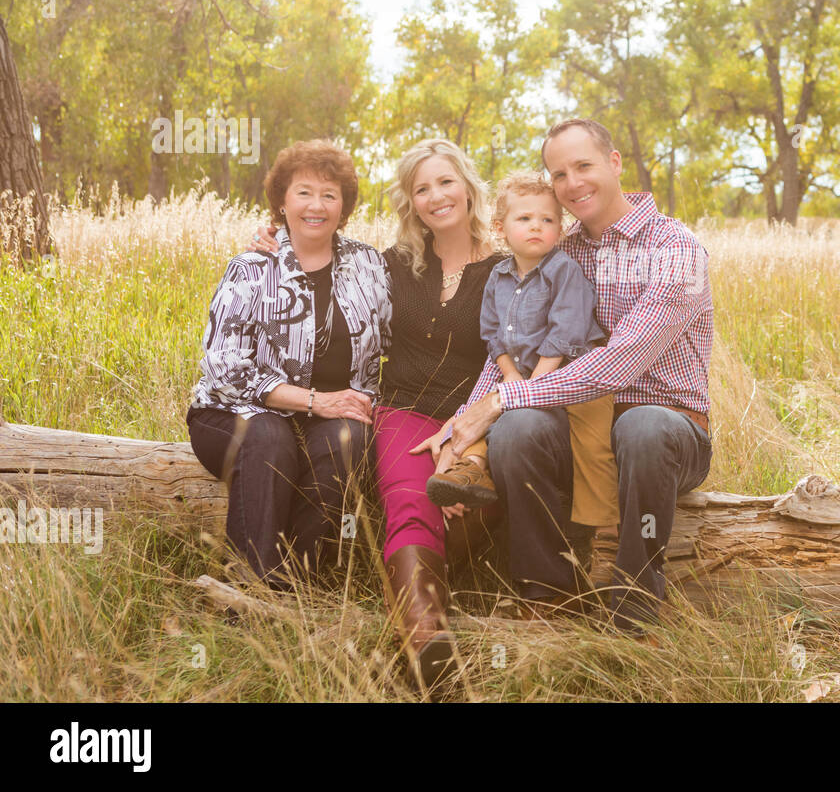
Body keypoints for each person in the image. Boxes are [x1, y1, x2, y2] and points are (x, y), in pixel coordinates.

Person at [430, 118, 713, 631]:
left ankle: (633, 608)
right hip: (578, 430)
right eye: (559, 173)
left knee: (639, 425)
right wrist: (461, 424)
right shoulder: (559, 250)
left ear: (614, 162)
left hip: (667, 430)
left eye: (583, 166)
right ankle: (549, 592)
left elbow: (619, 363)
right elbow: (511, 345)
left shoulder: (676, 248)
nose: (573, 183)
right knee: (518, 428)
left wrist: (500, 402)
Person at [249, 138, 504, 691]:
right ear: (410, 202)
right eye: (421, 188)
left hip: (477, 422)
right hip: (402, 411)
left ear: (468, 186)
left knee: (473, 502)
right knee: (412, 500)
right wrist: (275, 240)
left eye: (445, 182)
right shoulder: (392, 265)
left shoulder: (509, 270)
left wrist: (466, 435)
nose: (436, 196)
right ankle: (426, 643)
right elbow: (320, 254)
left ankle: (415, 597)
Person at [187, 139, 389, 592]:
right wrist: (314, 401)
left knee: (347, 437)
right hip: (235, 413)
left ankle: (297, 584)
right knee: (268, 435)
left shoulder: (370, 266)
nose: (316, 205)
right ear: (282, 200)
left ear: (344, 205)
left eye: (329, 194)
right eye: (303, 192)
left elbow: (399, 332)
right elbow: (225, 368)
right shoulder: (251, 267)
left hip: (329, 417)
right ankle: (250, 588)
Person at [426, 171, 617, 538]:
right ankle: (472, 469)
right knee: (483, 414)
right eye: (525, 219)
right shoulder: (497, 277)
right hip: (522, 377)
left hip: (576, 379)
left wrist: (529, 387)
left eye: (547, 220)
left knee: (595, 448)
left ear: (560, 230)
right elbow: (493, 334)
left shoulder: (564, 271)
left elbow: (565, 333)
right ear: (501, 228)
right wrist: (510, 374)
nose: (537, 227)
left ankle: (604, 533)